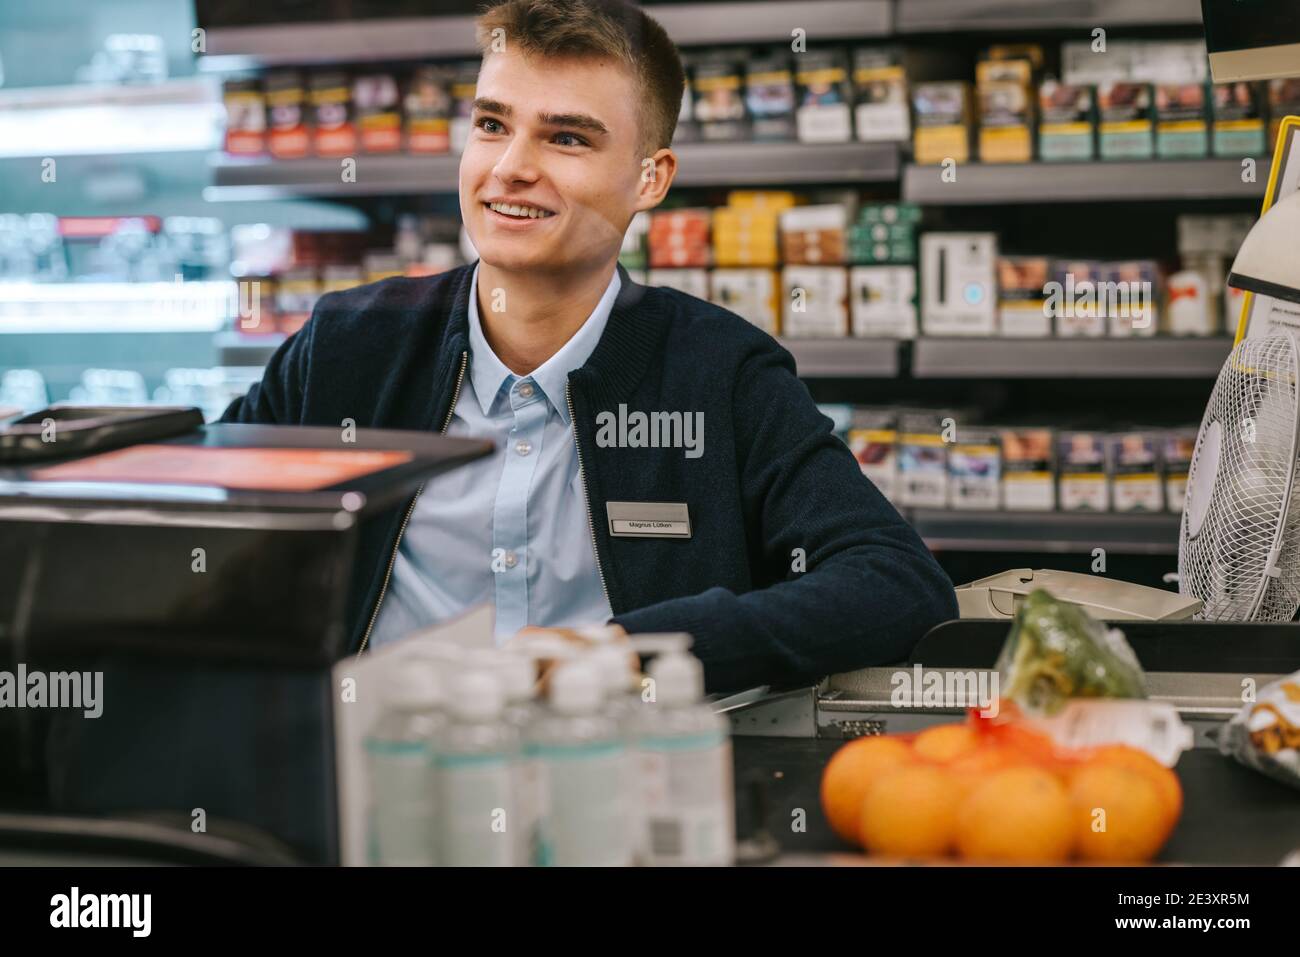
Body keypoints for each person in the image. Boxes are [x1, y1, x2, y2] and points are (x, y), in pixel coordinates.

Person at [222, 0, 958, 691]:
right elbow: (197, 520)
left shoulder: (720, 372)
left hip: (618, 785)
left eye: (566, 137)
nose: (511, 166)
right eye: (491, 125)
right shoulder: (349, 346)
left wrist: (633, 651)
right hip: (378, 782)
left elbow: (896, 583)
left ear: (650, 178)